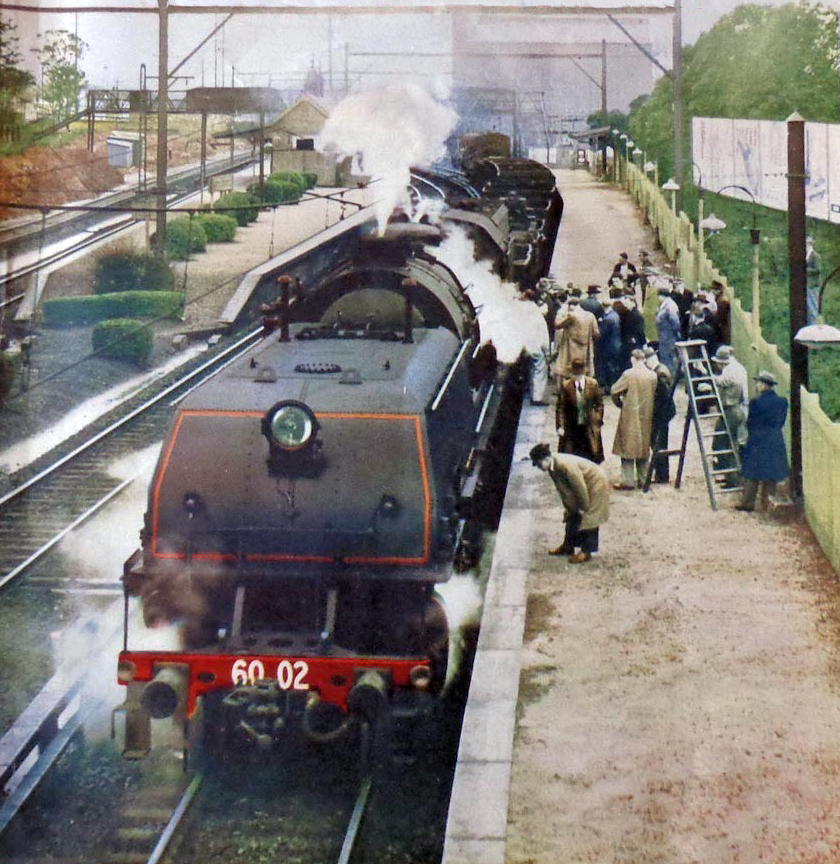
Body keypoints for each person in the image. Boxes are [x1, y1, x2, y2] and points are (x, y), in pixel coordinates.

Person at [529, 442, 610, 563]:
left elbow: (579, 487)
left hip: (596, 482)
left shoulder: (564, 465)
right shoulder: (552, 467)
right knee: (572, 514)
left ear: (545, 459)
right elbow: (564, 490)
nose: (538, 467)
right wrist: (570, 508)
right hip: (586, 482)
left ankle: (586, 551)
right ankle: (568, 545)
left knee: (590, 517)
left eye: (538, 464)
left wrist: (584, 506)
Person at [737, 371, 789, 512]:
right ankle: (767, 503)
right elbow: (781, 422)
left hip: (758, 438)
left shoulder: (755, 402)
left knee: (753, 472)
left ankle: (748, 503)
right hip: (774, 438)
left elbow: (750, 422)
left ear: (764, 385)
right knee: (771, 472)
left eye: (759, 382)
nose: (757, 385)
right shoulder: (782, 402)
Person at [610, 347, 657, 490]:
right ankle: (644, 479)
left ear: (632, 359)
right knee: (644, 446)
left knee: (627, 446)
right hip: (647, 414)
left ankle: (627, 480)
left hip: (630, 414)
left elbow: (614, 390)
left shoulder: (628, 374)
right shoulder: (652, 375)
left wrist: (620, 404)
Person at [709, 345, 748, 488]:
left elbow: (723, 381)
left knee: (722, 444)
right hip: (735, 409)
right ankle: (730, 476)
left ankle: (732, 478)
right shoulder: (737, 368)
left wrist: (706, 374)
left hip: (731, 410)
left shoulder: (730, 371)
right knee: (729, 443)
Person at [556, 358, 604, 463]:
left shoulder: (593, 384)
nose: (577, 378)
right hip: (572, 426)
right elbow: (560, 408)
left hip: (589, 424)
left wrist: (598, 418)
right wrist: (560, 426)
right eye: (575, 375)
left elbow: (599, 403)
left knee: (592, 452)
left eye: (579, 375)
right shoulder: (566, 385)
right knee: (570, 454)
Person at [554, 294, 599, 380]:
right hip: (586, 348)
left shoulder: (571, 315)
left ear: (570, 305)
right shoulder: (590, 315)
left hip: (571, 346)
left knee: (570, 369)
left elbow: (557, 325)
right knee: (583, 369)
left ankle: (568, 389)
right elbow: (596, 333)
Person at [649, 360, 676, 483]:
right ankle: (661, 474)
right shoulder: (661, 369)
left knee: (658, 443)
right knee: (660, 443)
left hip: (661, 415)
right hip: (664, 413)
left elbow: (664, 396)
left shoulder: (659, 374)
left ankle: (662, 475)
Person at [597, 299, 623, 390]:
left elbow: (601, 334)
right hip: (616, 344)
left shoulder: (608, 319)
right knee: (614, 366)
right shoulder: (615, 315)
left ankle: (610, 387)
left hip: (609, 346)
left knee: (609, 367)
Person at [655, 285, 681, 374]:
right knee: (665, 358)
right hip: (664, 337)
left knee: (669, 360)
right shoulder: (665, 305)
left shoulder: (670, 306)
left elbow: (676, 323)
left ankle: (671, 378)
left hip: (669, 338)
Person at [806, 235, 822, 325]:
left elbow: (818, 269)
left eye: (808, 243)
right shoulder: (806, 255)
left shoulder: (815, 256)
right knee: (808, 308)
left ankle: (815, 326)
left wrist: (805, 270)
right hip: (808, 285)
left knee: (814, 307)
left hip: (813, 285)